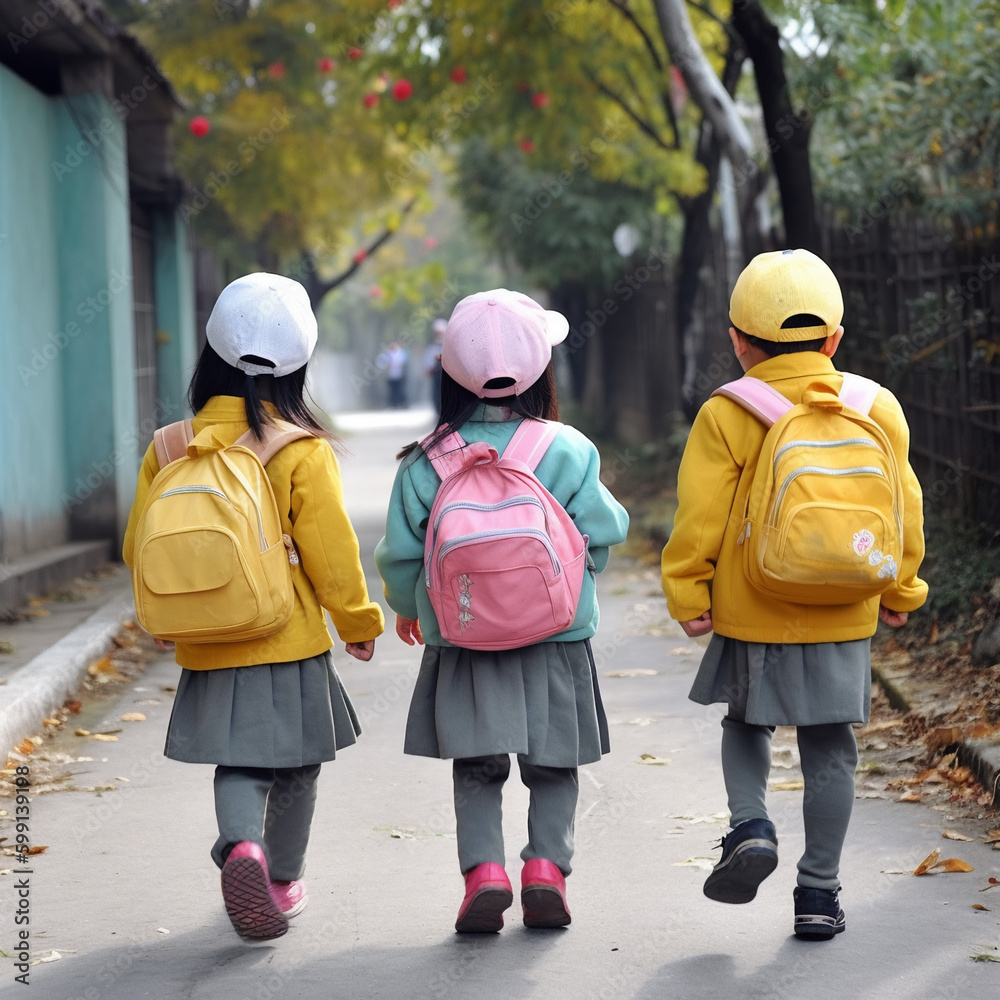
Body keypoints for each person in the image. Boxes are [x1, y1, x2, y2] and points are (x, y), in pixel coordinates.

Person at [661, 249, 928, 940]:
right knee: (832, 746)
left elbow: (700, 516)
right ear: (835, 340)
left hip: (754, 606)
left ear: (738, 341)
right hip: (846, 607)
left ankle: (750, 824)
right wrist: (901, 587)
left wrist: (688, 590)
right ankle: (819, 894)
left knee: (746, 725)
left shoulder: (729, 411)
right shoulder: (876, 405)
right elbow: (904, 506)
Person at [123, 273, 384, 941]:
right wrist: (358, 622)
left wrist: (166, 615)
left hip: (208, 643)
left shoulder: (169, 446)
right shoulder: (300, 448)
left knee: (239, 759)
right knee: (296, 763)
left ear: (209, 354)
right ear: (299, 365)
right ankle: (281, 878)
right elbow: (331, 553)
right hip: (287, 638)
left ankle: (241, 846)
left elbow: (139, 545)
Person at [375, 289, 629, 933]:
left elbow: (402, 556)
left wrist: (410, 609)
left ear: (447, 372)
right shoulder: (568, 448)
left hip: (464, 640)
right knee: (554, 764)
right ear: (541, 369)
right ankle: (546, 868)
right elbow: (604, 529)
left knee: (478, 766)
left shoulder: (423, 461)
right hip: (557, 635)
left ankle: (483, 873)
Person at [422, 317, 446, 417]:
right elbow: (428, 362)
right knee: (436, 394)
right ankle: (438, 413)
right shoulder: (432, 347)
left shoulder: (448, 345)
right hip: (436, 374)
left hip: (447, 375)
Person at [381, 340, 408, 409]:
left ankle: (401, 403)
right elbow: (383, 363)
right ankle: (393, 404)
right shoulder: (387, 354)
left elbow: (402, 362)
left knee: (400, 390)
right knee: (392, 390)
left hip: (399, 375)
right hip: (391, 376)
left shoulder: (401, 353)